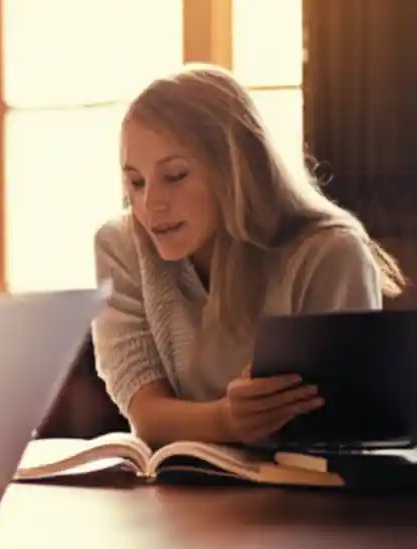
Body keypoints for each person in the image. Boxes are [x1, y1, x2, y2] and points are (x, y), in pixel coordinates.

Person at [93, 64, 405, 448]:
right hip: (179, 495)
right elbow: (145, 415)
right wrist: (224, 420)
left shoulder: (329, 253)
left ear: (234, 167)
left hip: (309, 499)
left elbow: (345, 428)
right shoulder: (120, 246)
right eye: (136, 182)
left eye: (175, 176)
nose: (150, 203)